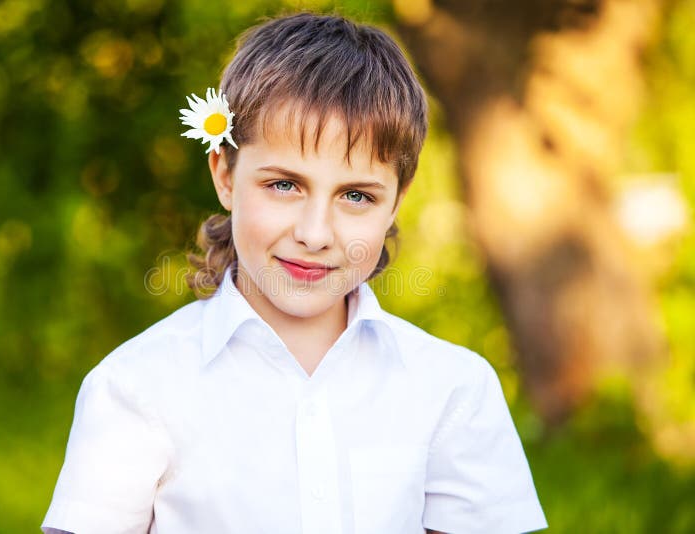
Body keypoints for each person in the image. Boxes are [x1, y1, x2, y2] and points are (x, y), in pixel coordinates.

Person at [41, 12, 548, 534]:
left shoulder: (452, 390)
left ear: (395, 203)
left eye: (356, 196)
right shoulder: (135, 388)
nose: (315, 232)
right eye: (284, 185)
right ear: (225, 175)